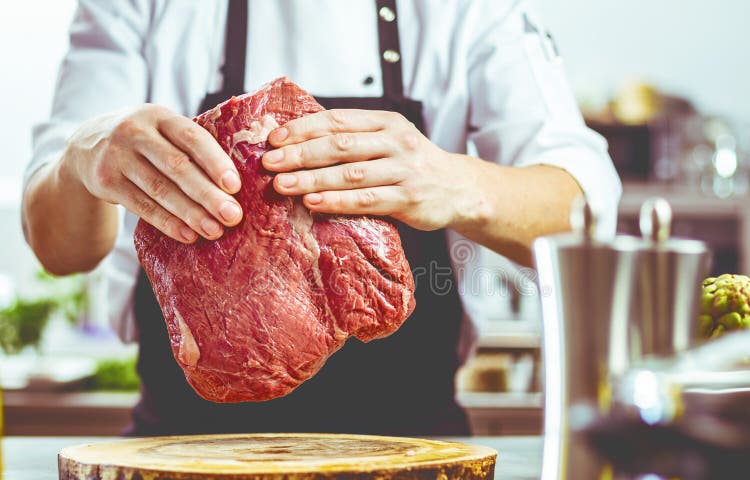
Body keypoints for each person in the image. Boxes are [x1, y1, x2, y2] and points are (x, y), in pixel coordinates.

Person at [22, 0, 620, 436]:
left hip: (410, 457)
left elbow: (587, 212)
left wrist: (457, 181)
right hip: (182, 454)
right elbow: (59, 250)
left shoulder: (463, 10)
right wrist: (81, 159)